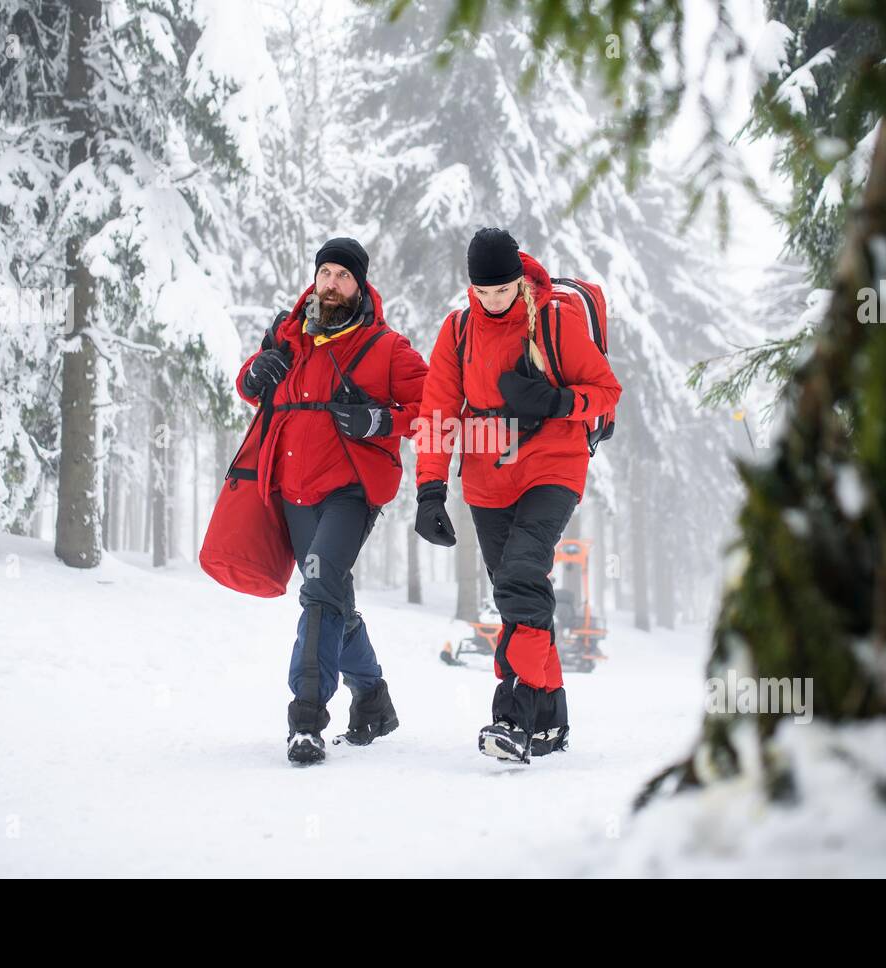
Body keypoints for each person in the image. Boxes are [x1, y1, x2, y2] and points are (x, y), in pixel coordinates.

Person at [412, 228, 621, 763]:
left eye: (502, 290)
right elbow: (436, 412)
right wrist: (430, 490)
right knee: (517, 597)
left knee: (521, 576)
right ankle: (553, 720)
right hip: (486, 478)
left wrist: (555, 401)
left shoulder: (555, 319)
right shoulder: (458, 330)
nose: (492, 300)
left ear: (519, 279)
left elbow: (605, 392)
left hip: (553, 465)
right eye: (481, 291)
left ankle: (513, 715)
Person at [236, 237, 428, 765]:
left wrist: (380, 419)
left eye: (344, 276)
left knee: (319, 591)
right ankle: (373, 700)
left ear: (360, 285)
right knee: (334, 600)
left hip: (351, 492)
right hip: (293, 490)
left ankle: (306, 719)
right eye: (326, 274)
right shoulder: (289, 333)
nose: (332, 284)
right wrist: (254, 375)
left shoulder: (387, 348)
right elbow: (253, 388)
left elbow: (431, 405)